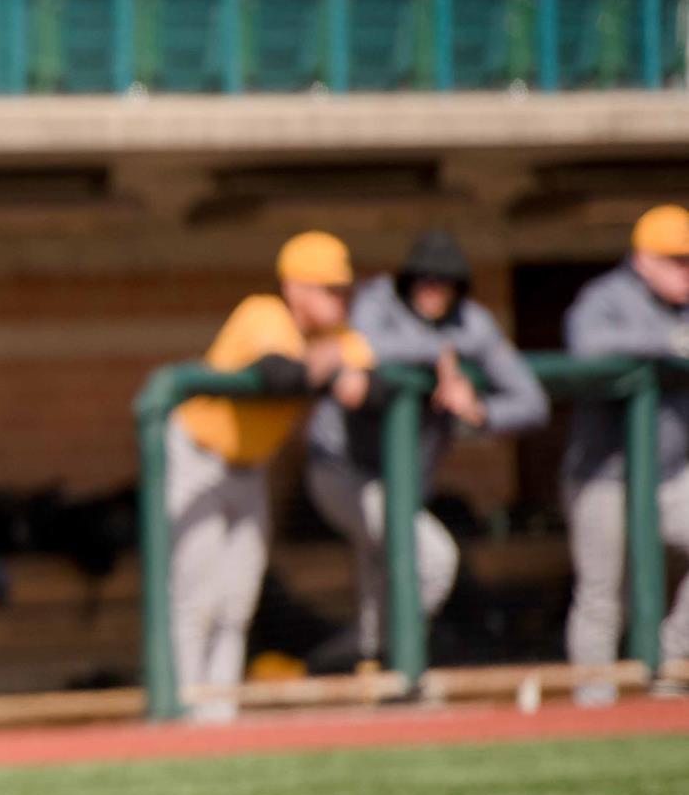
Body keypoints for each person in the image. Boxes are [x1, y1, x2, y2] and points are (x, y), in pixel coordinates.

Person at [303, 231, 547, 665]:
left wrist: (479, 409)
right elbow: (357, 345)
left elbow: (533, 402)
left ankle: (350, 670)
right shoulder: (377, 302)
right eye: (424, 280)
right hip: (343, 468)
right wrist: (440, 358)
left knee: (382, 594)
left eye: (444, 282)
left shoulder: (473, 323)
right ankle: (401, 667)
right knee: (432, 559)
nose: (433, 291)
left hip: (404, 479)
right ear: (408, 281)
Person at [169, 233, 376, 721]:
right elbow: (280, 375)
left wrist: (336, 363)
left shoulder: (339, 335)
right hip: (196, 460)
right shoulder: (264, 312)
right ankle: (180, 713)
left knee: (237, 599)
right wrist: (327, 364)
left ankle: (217, 716)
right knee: (195, 597)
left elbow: (377, 382)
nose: (339, 299)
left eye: (343, 290)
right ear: (295, 288)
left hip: (249, 468)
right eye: (328, 289)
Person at [562, 206, 689, 700]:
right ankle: (594, 708)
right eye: (676, 260)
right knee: (602, 595)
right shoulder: (605, 297)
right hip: (604, 472)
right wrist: (665, 342)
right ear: (643, 260)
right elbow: (585, 348)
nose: (686, 271)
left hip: (672, 471)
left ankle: (672, 661)